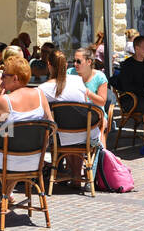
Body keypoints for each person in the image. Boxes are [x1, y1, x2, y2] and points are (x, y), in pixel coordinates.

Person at [0, 55, 53, 174]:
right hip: (36, 160)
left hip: (7, 162)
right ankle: (9, 192)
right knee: (8, 133)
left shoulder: (3, 101)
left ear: (15, 78)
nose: (1, 78)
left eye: (4, 75)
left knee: (5, 140)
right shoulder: (40, 95)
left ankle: (7, 191)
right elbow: (51, 125)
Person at [39, 52, 102, 180]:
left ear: (49, 64)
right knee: (72, 130)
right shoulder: (77, 81)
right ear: (66, 64)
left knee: (60, 130)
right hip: (86, 133)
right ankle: (76, 174)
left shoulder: (43, 88)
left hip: (61, 135)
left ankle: (65, 172)